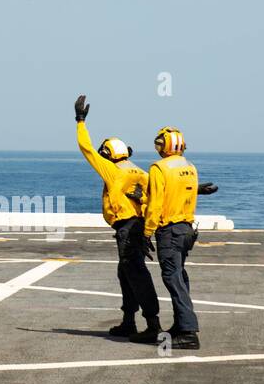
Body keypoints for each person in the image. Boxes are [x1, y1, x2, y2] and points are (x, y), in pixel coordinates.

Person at [73, 95, 160, 338]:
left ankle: (153, 325)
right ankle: (128, 321)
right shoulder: (138, 170)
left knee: (135, 272)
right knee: (126, 272)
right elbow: (160, 189)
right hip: (139, 226)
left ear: (108, 154)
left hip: (127, 228)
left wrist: (80, 121)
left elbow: (86, 149)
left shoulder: (112, 170)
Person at [133, 126, 201, 350]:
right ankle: (181, 326)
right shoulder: (190, 167)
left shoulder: (159, 168)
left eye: (159, 144)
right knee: (180, 276)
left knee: (173, 279)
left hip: (169, 231)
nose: (157, 148)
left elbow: (155, 204)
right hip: (187, 230)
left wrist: (146, 232)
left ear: (165, 145)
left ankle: (189, 333)